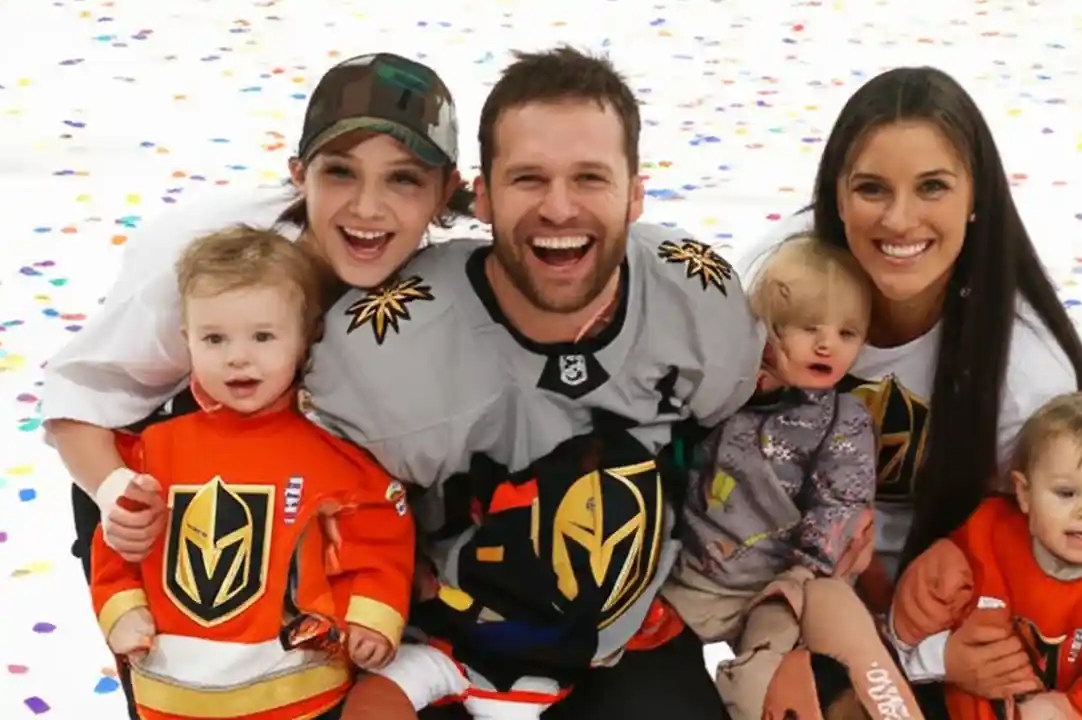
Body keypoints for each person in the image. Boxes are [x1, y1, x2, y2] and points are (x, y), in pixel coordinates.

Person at [302, 46, 766, 719]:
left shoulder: (700, 301)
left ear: (637, 193)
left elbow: (737, 458)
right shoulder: (376, 349)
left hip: (631, 640)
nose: (558, 208)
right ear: (481, 195)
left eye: (589, 178)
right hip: (450, 652)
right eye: (527, 179)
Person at [39, 51, 468, 719]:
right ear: (299, 175)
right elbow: (80, 403)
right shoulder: (209, 257)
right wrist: (124, 501)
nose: (367, 207)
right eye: (339, 173)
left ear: (447, 192)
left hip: (351, 519)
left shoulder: (462, 282)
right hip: (191, 503)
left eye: (404, 180)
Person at [736, 66, 1082, 719]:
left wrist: (949, 645)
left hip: (942, 622)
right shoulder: (773, 287)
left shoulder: (1029, 368)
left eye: (932, 187)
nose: (899, 220)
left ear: (976, 196)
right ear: (836, 199)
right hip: (781, 589)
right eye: (872, 188)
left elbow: (1046, 552)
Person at [89, 226, 416, 719]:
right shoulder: (152, 449)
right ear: (187, 341)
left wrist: (370, 616)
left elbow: (379, 536)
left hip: (302, 703)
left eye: (263, 336)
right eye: (214, 338)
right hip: (172, 701)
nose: (238, 356)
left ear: (304, 337)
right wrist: (122, 609)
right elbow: (116, 541)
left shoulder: (333, 456)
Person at [659, 232, 921, 720]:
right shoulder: (724, 396)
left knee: (762, 688)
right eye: (807, 327)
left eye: (848, 333)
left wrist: (805, 574)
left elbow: (839, 503)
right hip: (692, 574)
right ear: (767, 330)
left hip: (779, 587)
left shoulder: (843, 419)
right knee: (636, 662)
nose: (827, 344)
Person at [889, 391, 1082, 719]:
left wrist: (1073, 709)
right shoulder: (987, 534)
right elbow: (909, 629)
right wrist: (937, 651)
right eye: (1066, 493)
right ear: (1024, 493)